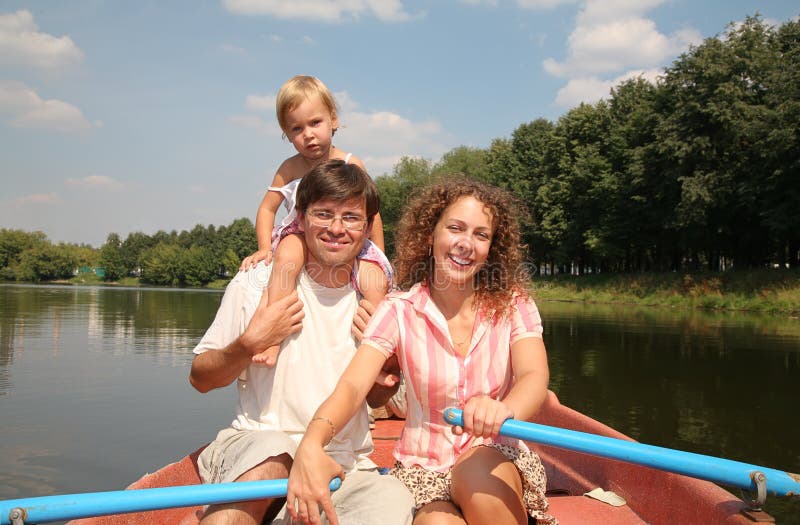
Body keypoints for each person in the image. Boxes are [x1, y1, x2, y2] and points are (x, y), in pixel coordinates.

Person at [286, 178, 557, 525]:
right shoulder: (398, 309)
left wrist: (504, 409)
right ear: (432, 234)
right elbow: (353, 387)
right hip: (423, 469)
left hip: (491, 453)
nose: (466, 244)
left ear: (493, 247)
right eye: (455, 228)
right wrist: (312, 441)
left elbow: (534, 376)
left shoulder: (513, 304)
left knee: (476, 477)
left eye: (481, 235)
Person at [190, 160, 414, 525]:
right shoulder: (256, 283)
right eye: (323, 214)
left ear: (367, 226)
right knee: (272, 460)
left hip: (345, 461)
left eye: (351, 218)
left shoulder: (380, 302)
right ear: (302, 217)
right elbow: (201, 379)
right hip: (260, 442)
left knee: (393, 502)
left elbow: (374, 399)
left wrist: (387, 375)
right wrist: (250, 342)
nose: (336, 229)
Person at [239, 75, 392, 368]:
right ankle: (272, 338)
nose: (308, 134)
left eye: (315, 123)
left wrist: (377, 254)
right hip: (300, 232)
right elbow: (266, 209)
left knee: (375, 281)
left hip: (348, 237)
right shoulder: (289, 168)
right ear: (287, 133)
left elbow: (372, 213)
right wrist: (263, 247)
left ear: (333, 120)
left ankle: (379, 352)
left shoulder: (350, 163)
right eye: (297, 128)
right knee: (286, 258)